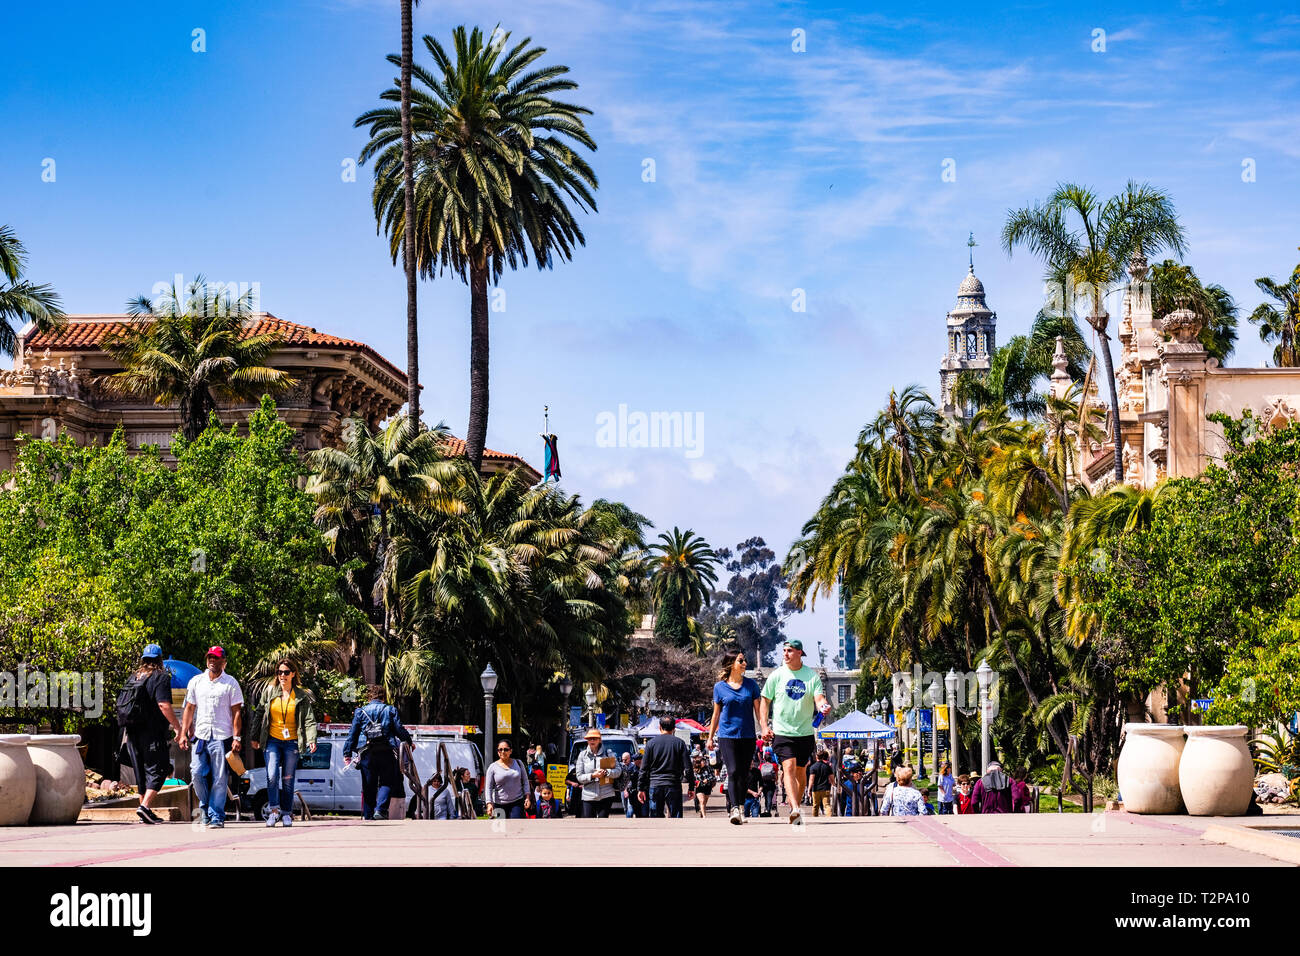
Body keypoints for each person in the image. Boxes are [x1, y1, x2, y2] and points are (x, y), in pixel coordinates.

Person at [758, 639, 831, 825]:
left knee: (800, 772)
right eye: (784, 650)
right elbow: (765, 700)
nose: (785, 654)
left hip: (805, 733)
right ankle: (797, 810)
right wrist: (764, 726)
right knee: (788, 767)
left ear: (800, 652)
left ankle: (794, 805)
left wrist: (823, 706)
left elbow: (819, 698)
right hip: (782, 731)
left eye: (789, 650)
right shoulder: (777, 675)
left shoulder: (811, 676)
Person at [180, 646, 244, 829]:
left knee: (219, 778)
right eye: (210, 657)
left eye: (216, 658)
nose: (212, 661)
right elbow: (190, 708)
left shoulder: (231, 683)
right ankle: (205, 806)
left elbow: (236, 712)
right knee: (197, 773)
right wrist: (184, 733)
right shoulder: (196, 681)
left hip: (222, 736)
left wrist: (237, 738)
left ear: (223, 661)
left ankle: (216, 815)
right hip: (201, 736)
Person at [119, 644, 184, 824]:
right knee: (160, 768)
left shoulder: (134, 677)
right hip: (152, 733)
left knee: (141, 771)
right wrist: (177, 727)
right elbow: (164, 705)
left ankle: (144, 812)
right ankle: (145, 806)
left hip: (131, 732)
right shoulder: (160, 677)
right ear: (160, 659)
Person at [250, 658, 318, 827]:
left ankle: (287, 813)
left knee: (288, 779)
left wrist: (311, 739)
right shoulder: (270, 691)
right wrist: (254, 736)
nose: (282, 675)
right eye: (279, 672)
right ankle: (274, 811)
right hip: (272, 739)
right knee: (272, 775)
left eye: (286, 672)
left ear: (293, 674)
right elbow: (259, 713)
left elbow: (309, 720)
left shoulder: (301, 695)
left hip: (292, 742)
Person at [705, 647, 762, 826]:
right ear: (731, 664)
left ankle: (741, 807)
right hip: (727, 735)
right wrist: (709, 737)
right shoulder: (719, 687)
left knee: (744, 774)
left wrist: (765, 728)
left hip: (747, 735)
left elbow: (759, 712)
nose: (744, 663)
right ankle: (734, 809)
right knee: (733, 771)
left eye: (744, 660)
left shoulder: (751, 685)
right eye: (740, 660)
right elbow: (715, 715)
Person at [342, 685, 412, 820]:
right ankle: (380, 810)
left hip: (366, 752)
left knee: (368, 785)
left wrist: (347, 753)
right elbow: (399, 729)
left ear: (369, 697)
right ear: (383, 697)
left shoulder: (360, 712)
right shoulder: (390, 710)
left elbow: (353, 734)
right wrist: (408, 742)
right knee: (387, 781)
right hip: (386, 750)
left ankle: (368, 816)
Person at [637, 715, 695, 818]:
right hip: (673, 784)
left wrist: (640, 788)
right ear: (673, 728)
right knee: (676, 816)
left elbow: (644, 768)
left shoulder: (651, 744)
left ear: (660, 727)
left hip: (655, 784)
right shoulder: (680, 743)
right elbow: (688, 768)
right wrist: (691, 787)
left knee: (655, 817)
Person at [575, 727, 621, 818]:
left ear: (600, 740)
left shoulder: (609, 754)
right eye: (589, 738)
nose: (592, 740)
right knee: (589, 824)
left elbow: (618, 771)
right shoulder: (582, 755)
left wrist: (607, 772)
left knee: (602, 823)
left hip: (606, 794)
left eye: (595, 738)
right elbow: (579, 777)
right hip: (588, 796)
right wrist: (593, 776)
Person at [484, 739, 533, 819]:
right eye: (500, 750)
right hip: (499, 803)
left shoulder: (518, 763)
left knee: (515, 827)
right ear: (497, 752)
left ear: (510, 751)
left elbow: (525, 781)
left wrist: (527, 798)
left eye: (506, 749)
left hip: (517, 802)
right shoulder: (492, 767)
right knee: (501, 829)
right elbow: (488, 787)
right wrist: (489, 803)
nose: (503, 752)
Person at [808, 750, 833, 817]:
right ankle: (829, 818)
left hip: (816, 789)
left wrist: (809, 789)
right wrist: (834, 784)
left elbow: (811, 779)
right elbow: (831, 777)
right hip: (825, 788)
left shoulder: (813, 767)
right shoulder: (827, 766)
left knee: (815, 806)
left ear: (816, 757)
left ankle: (815, 818)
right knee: (827, 805)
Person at [758, 748, 778, 816]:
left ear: (764, 759)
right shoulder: (774, 765)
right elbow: (775, 774)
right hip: (771, 783)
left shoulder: (761, 765)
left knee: (766, 797)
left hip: (764, 783)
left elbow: (760, 774)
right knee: (769, 797)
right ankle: (768, 811)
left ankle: (766, 809)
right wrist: (776, 781)